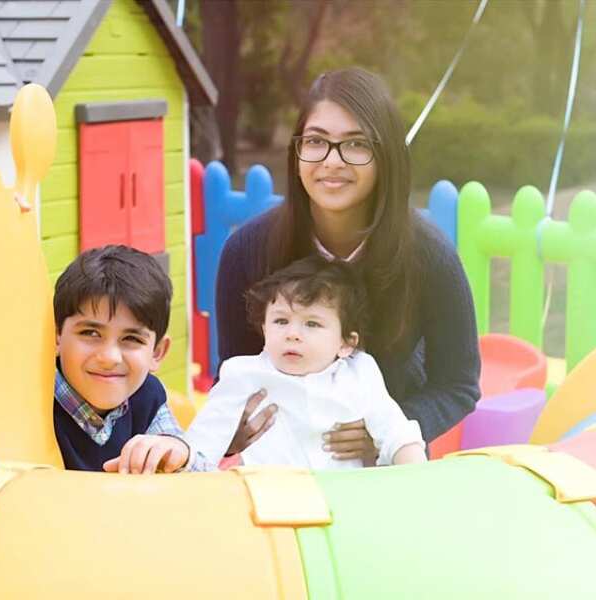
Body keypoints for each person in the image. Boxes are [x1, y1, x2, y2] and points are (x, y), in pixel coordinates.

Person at [216, 67, 481, 463]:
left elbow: (458, 383)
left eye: (355, 144)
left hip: (390, 466)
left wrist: (388, 431)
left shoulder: (430, 257)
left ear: (386, 154)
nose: (332, 161)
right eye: (316, 142)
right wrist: (231, 431)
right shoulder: (247, 250)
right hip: (282, 471)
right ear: (296, 151)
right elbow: (233, 371)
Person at [186, 256, 426, 469]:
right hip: (269, 499)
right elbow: (204, 438)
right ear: (264, 328)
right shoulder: (243, 374)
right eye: (280, 321)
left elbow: (395, 431)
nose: (292, 334)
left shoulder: (360, 371)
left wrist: (417, 474)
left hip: (347, 497)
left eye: (312, 324)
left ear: (346, 343)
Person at [53, 245, 208, 474]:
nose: (109, 358)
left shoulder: (148, 396)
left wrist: (179, 452)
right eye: (90, 333)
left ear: (157, 352)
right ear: (56, 336)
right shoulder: (33, 403)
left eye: (131, 338)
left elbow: (205, 479)